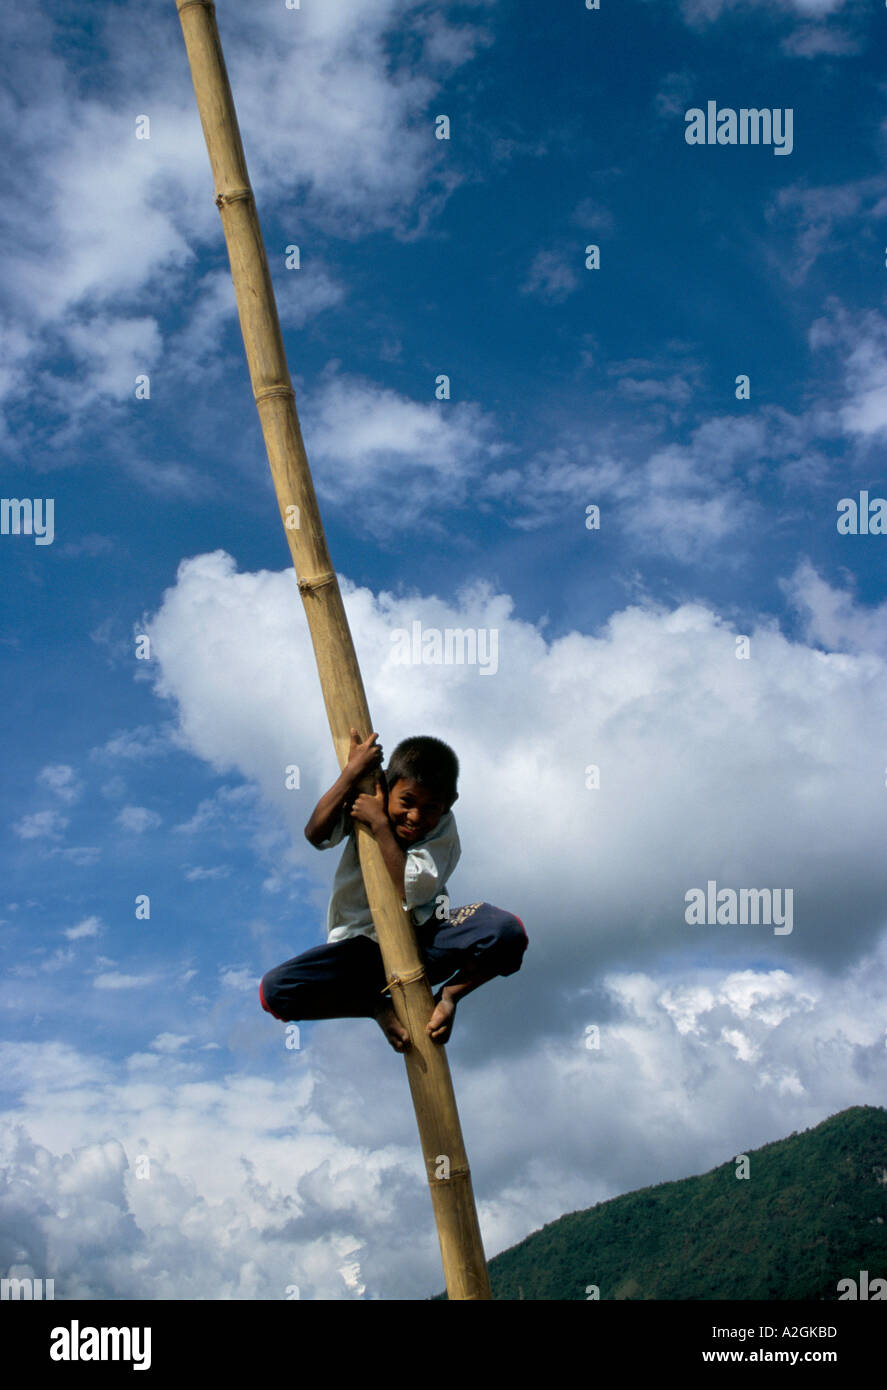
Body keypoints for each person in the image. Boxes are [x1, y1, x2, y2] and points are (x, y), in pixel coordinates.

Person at [259, 729, 527, 1050]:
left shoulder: (443, 829)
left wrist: (381, 825)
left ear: (448, 805)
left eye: (431, 808)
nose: (415, 816)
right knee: (275, 990)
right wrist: (351, 775)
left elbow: (409, 889)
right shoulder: (370, 798)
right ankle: (373, 1006)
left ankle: (449, 997)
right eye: (407, 802)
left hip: (426, 938)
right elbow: (316, 834)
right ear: (387, 786)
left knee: (507, 931)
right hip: (362, 952)